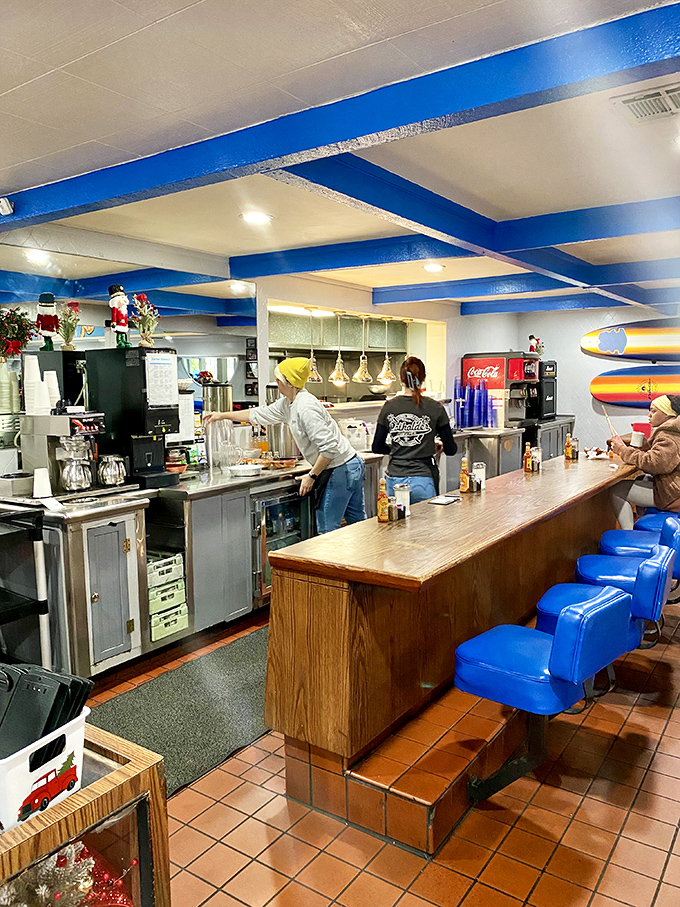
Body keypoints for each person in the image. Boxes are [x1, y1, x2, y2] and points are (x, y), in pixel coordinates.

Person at [204, 357, 366, 534]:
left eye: (279, 379)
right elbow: (259, 414)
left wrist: (311, 476)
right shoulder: (289, 403)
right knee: (359, 525)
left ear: (290, 383)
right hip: (350, 464)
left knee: (328, 532)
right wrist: (222, 416)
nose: (276, 382)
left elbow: (329, 448)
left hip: (340, 469)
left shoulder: (305, 407)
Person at [371, 356, 457, 503]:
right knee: (425, 519)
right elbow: (451, 449)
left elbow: (377, 447)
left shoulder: (389, 407)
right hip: (423, 479)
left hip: (395, 479)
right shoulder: (435, 407)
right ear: (423, 378)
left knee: (396, 518)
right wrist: (433, 446)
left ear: (401, 379)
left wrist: (397, 448)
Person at [609, 394, 680, 530]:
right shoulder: (674, 431)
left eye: (654, 411)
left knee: (617, 489)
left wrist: (623, 450)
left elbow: (655, 464)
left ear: (667, 414)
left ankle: (629, 533)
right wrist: (645, 446)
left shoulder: (669, 434)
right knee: (642, 479)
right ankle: (641, 527)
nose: (649, 415)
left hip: (674, 495)